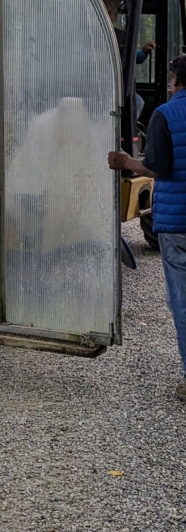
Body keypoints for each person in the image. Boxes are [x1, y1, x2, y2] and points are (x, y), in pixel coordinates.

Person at [108, 54, 186, 402]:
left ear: (174, 81)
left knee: (183, 303)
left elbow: (157, 167)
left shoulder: (164, 114)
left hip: (178, 223)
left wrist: (126, 161)